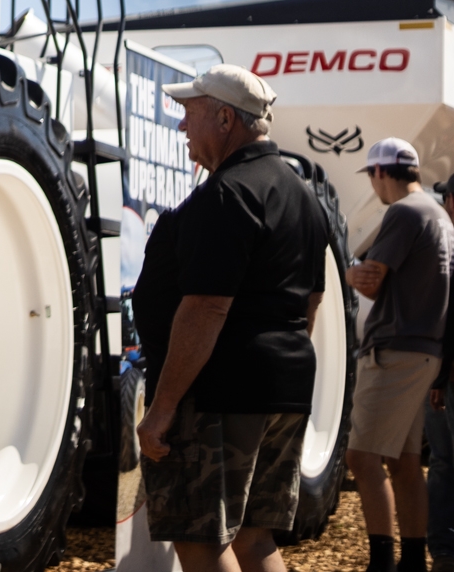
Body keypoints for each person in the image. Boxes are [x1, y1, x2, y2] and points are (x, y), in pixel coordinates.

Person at [132, 64, 327, 572]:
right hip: (282, 389)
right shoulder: (303, 196)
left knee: (201, 538)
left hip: (220, 395)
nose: (181, 127)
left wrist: (163, 407)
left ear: (224, 118)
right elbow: (312, 301)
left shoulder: (226, 194)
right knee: (254, 536)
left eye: (189, 114)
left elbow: (206, 307)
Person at [345, 138, 454, 572]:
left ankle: (383, 562)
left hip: (396, 349)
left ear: (379, 173)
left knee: (361, 457)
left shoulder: (404, 212)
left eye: (371, 176)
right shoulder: (439, 216)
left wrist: (351, 273)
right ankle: (411, 562)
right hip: (425, 351)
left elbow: (371, 282)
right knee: (404, 462)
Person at [423, 178, 454, 567]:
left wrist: (438, 376)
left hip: (445, 373)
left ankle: (443, 548)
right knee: (444, 463)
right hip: (444, 373)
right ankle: (443, 548)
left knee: (444, 463)